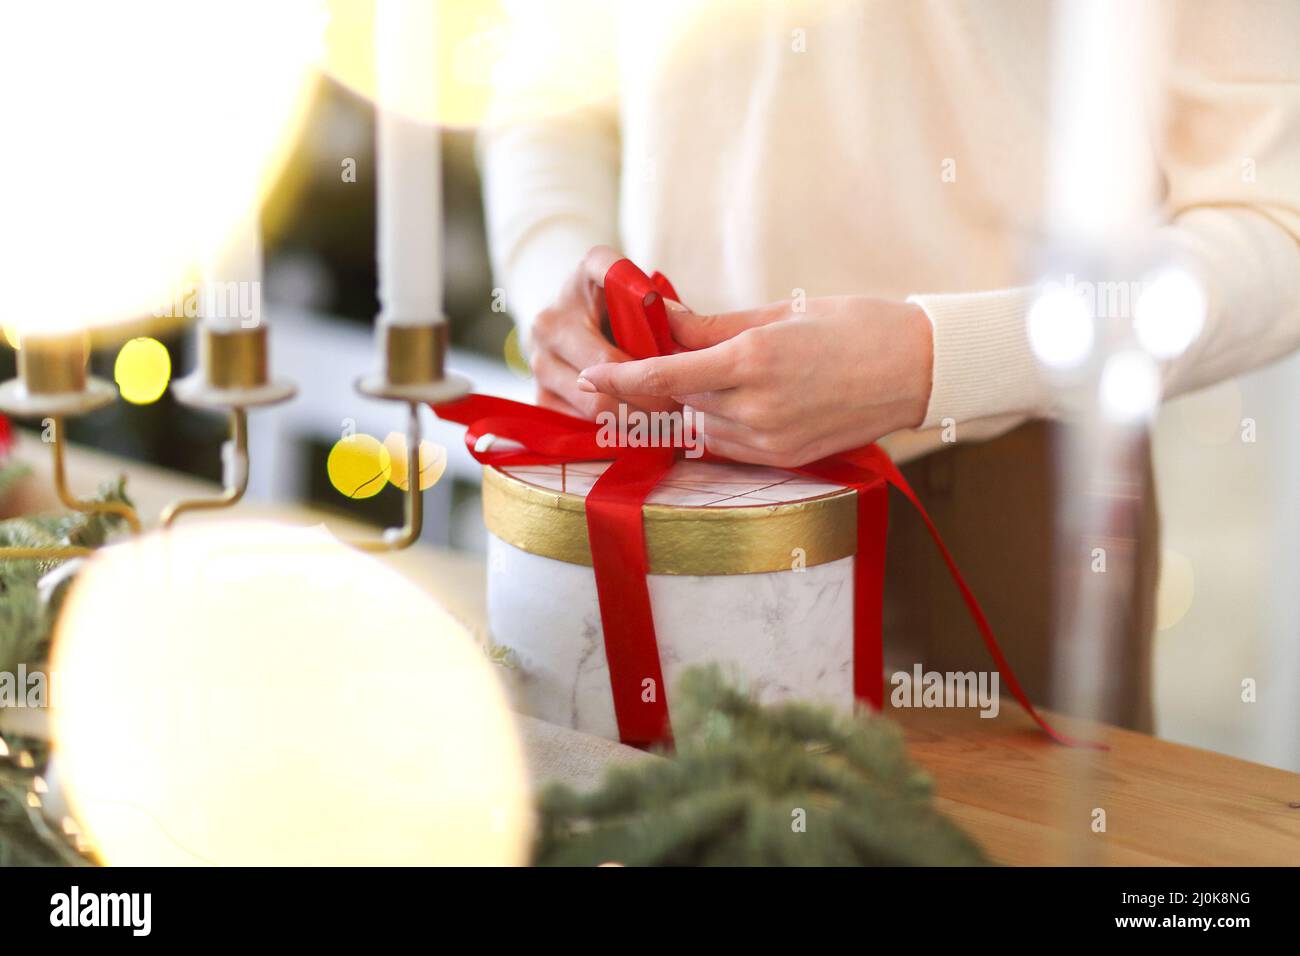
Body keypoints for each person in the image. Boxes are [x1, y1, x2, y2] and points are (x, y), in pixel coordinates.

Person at [479, 0, 1300, 731]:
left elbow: (1278, 221)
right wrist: (558, 279)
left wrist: (929, 362)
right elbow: (547, 82)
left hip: (984, 498)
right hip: (644, 484)